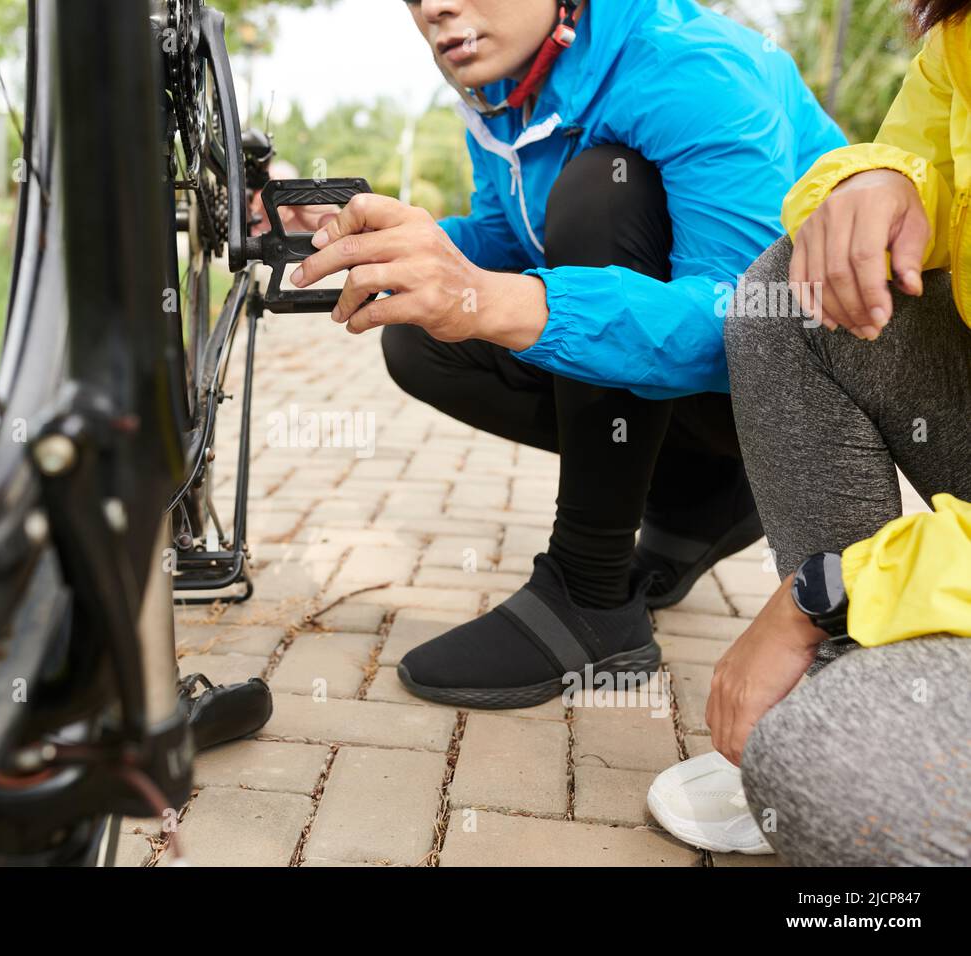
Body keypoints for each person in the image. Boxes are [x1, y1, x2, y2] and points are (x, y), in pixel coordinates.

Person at [289, 0, 844, 707]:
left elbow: (749, 323)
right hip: (711, 408)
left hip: (808, 403)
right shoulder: (504, 93)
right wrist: (372, 239)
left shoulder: (689, 65)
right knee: (423, 333)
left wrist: (492, 301)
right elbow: (504, 235)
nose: (435, 6)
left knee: (602, 190)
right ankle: (700, 499)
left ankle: (591, 593)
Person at [690, 0, 971, 865]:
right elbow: (911, 189)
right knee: (796, 290)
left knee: (831, 780)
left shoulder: (685, 69)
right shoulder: (959, 37)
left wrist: (830, 590)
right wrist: (870, 183)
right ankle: (856, 683)